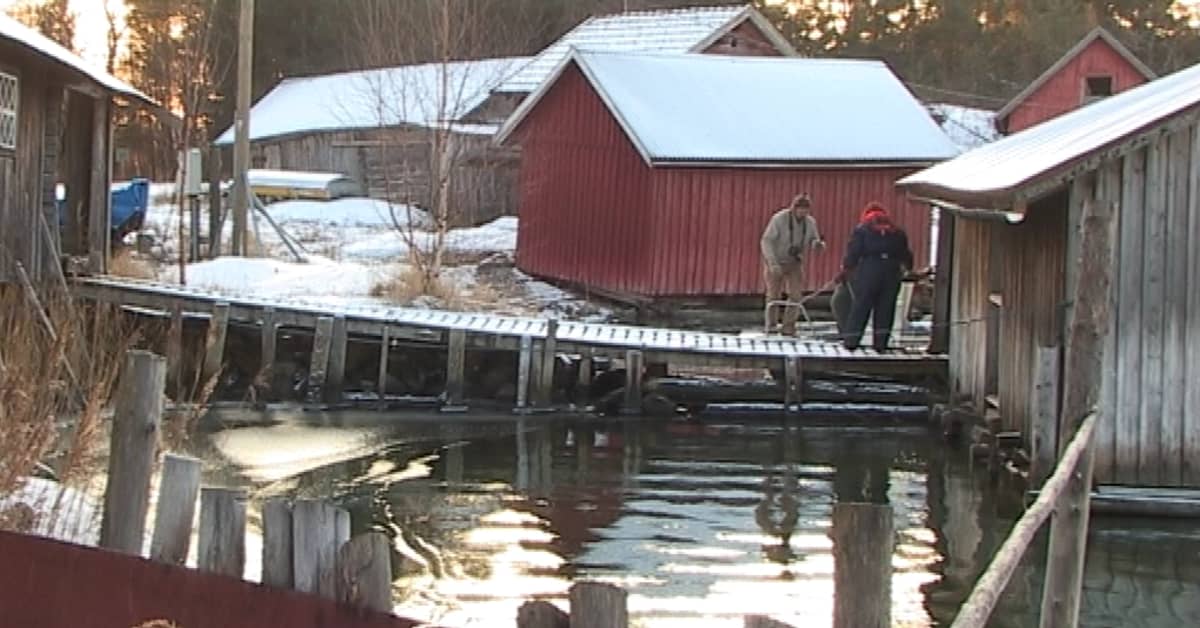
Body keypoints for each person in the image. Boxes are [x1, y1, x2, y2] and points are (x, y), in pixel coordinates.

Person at [839, 202, 913, 351]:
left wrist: (846, 268)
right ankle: (880, 344)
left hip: (869, 268)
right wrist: (909, 267)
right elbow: (906, 253)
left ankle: (851, 341)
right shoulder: (897, 231)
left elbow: (854, 252)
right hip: (891, 271)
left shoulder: (862, 230)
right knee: (886, 307)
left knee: (861, 306)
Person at [760, 193, 826, 336]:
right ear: (793, 208)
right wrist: (772, 263)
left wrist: (818, 245)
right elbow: (766, 241)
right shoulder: (779, 219)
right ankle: (771, 326)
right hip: (776, 261)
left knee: (796, 295)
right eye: (800, 209)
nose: (803, 213)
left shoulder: (810, 222)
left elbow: (814, 239)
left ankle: (788, 327)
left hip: (795, 262)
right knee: (773, 296)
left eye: (806, 210)